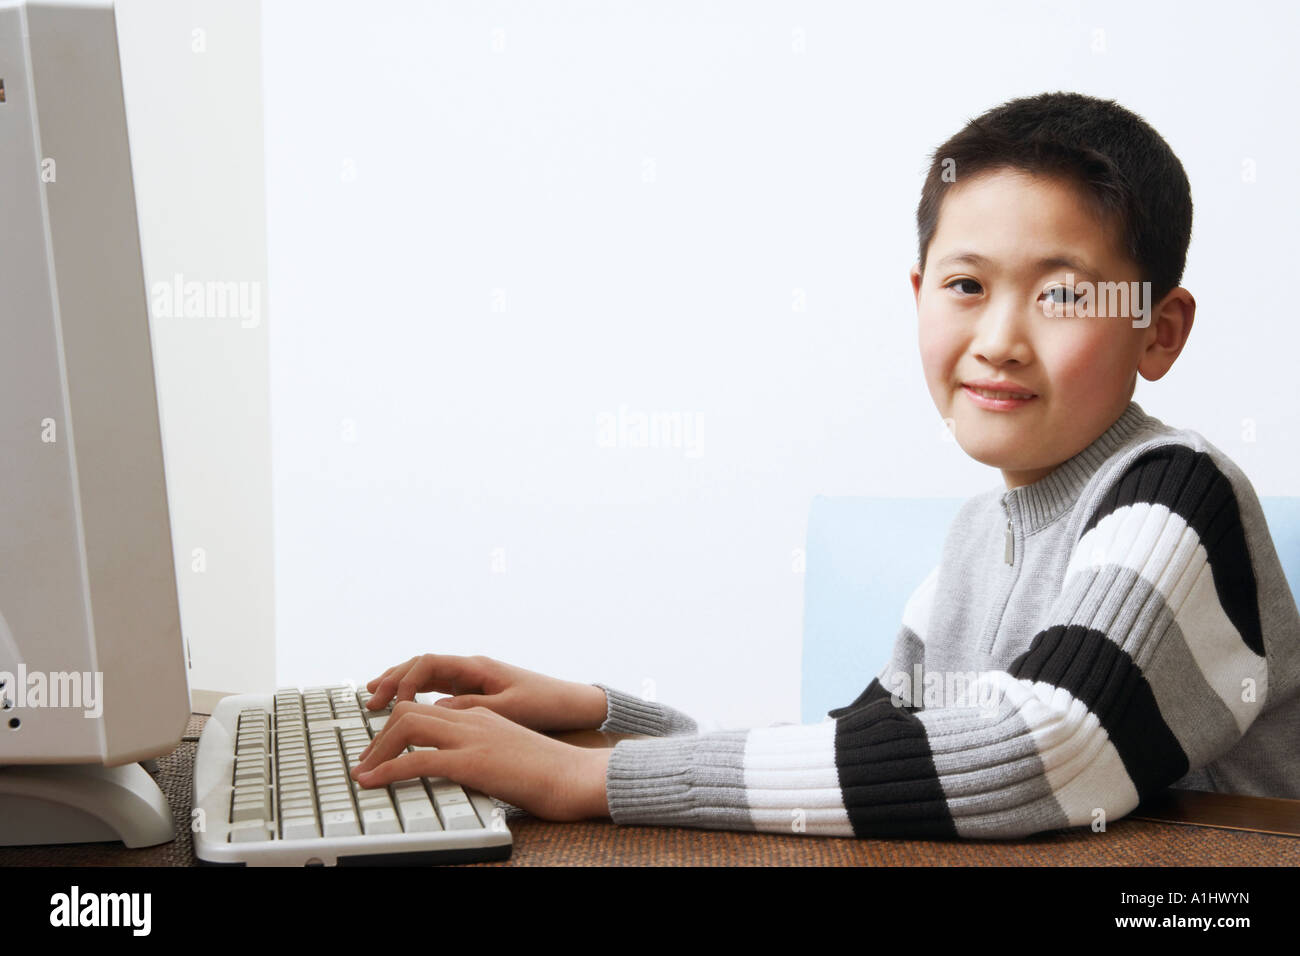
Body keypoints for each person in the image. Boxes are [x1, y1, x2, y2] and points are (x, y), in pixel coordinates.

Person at [350, 91, 1300, 839]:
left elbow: (1041, 751)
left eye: (1061, 296)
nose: (1001, 340)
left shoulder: (1177, 489)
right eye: (966, 287)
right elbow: (871, 757)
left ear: (1158, 332)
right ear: (920, 295)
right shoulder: (980, 537)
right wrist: (607, 721)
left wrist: (587, 780)